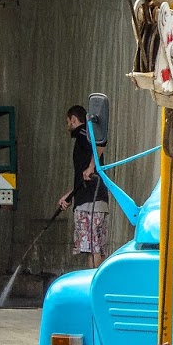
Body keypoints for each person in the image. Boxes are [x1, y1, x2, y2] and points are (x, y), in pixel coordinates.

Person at [58, 105, 109, 267]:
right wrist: (70, 195)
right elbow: (84, 178)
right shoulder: (84, 137)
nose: (67, 126)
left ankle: (94, 282)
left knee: (93, 248)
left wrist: (92, 167)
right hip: (92, 198)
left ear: (73, 119)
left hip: (90, 202)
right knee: (94, 248)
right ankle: (95, 280)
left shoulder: (83, 133)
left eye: (68, 122)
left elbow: (102, 143)